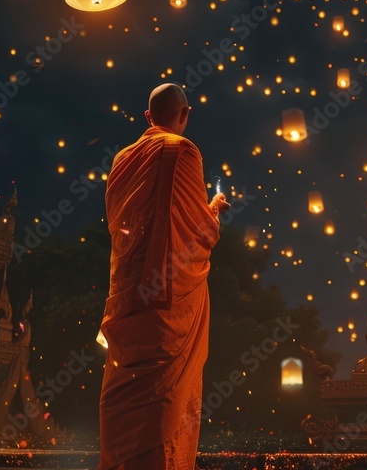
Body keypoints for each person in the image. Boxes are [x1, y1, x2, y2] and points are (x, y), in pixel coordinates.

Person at [99, 83, 229, 470]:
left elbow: (125, 229)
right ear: (185, 115)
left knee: (125, 403)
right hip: (166, 304)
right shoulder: (182, 150)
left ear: (146, 117)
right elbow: (199, 233)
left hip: (127, 298)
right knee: (164, 402)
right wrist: (212, 213)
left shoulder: (122, 158)